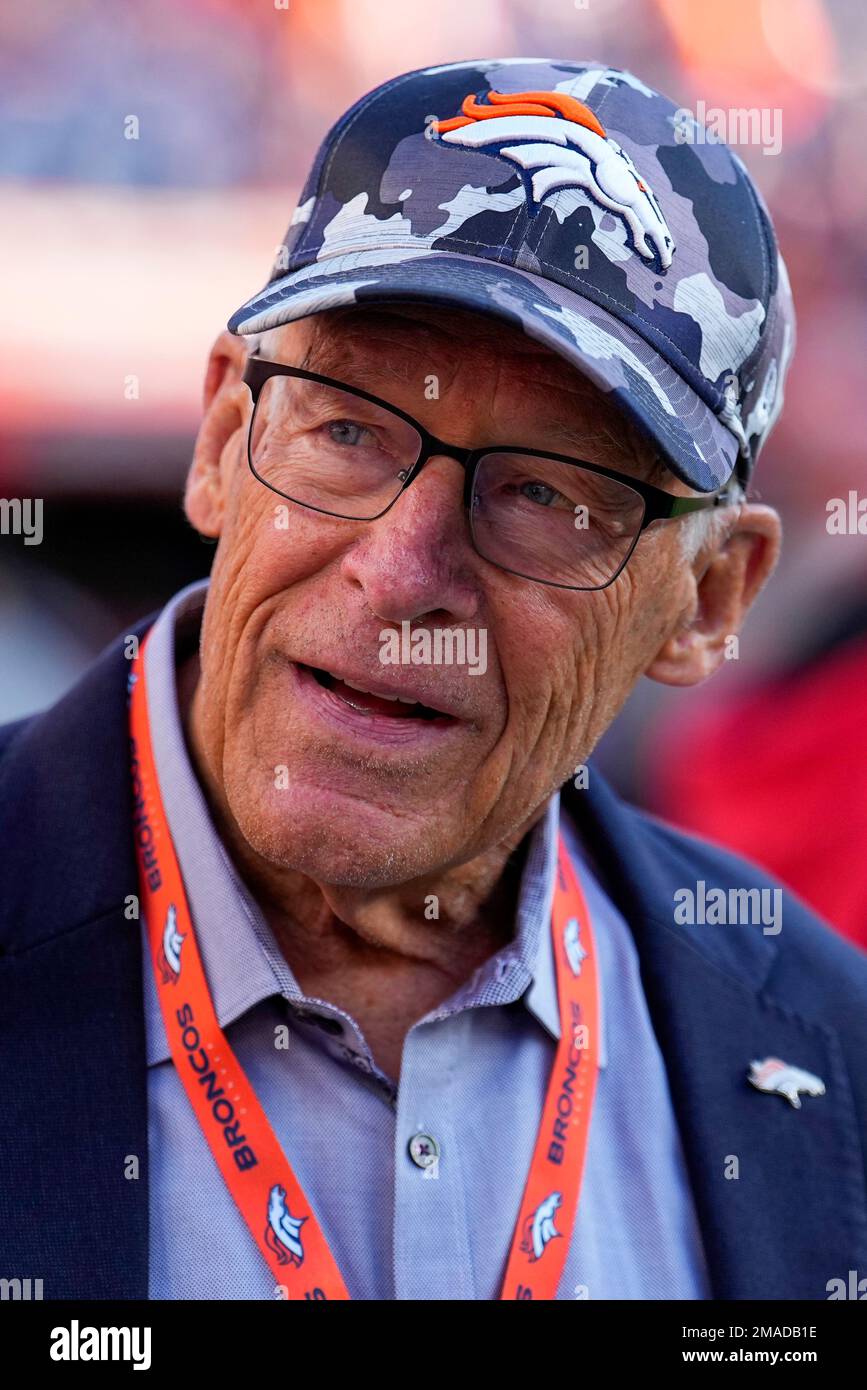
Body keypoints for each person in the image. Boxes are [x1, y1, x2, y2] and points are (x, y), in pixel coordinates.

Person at [2, 58, 865, 1303]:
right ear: (219, 444)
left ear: (708, 601)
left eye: (547, 494)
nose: (404, 574)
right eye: (347, 428)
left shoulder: (827, 1058)